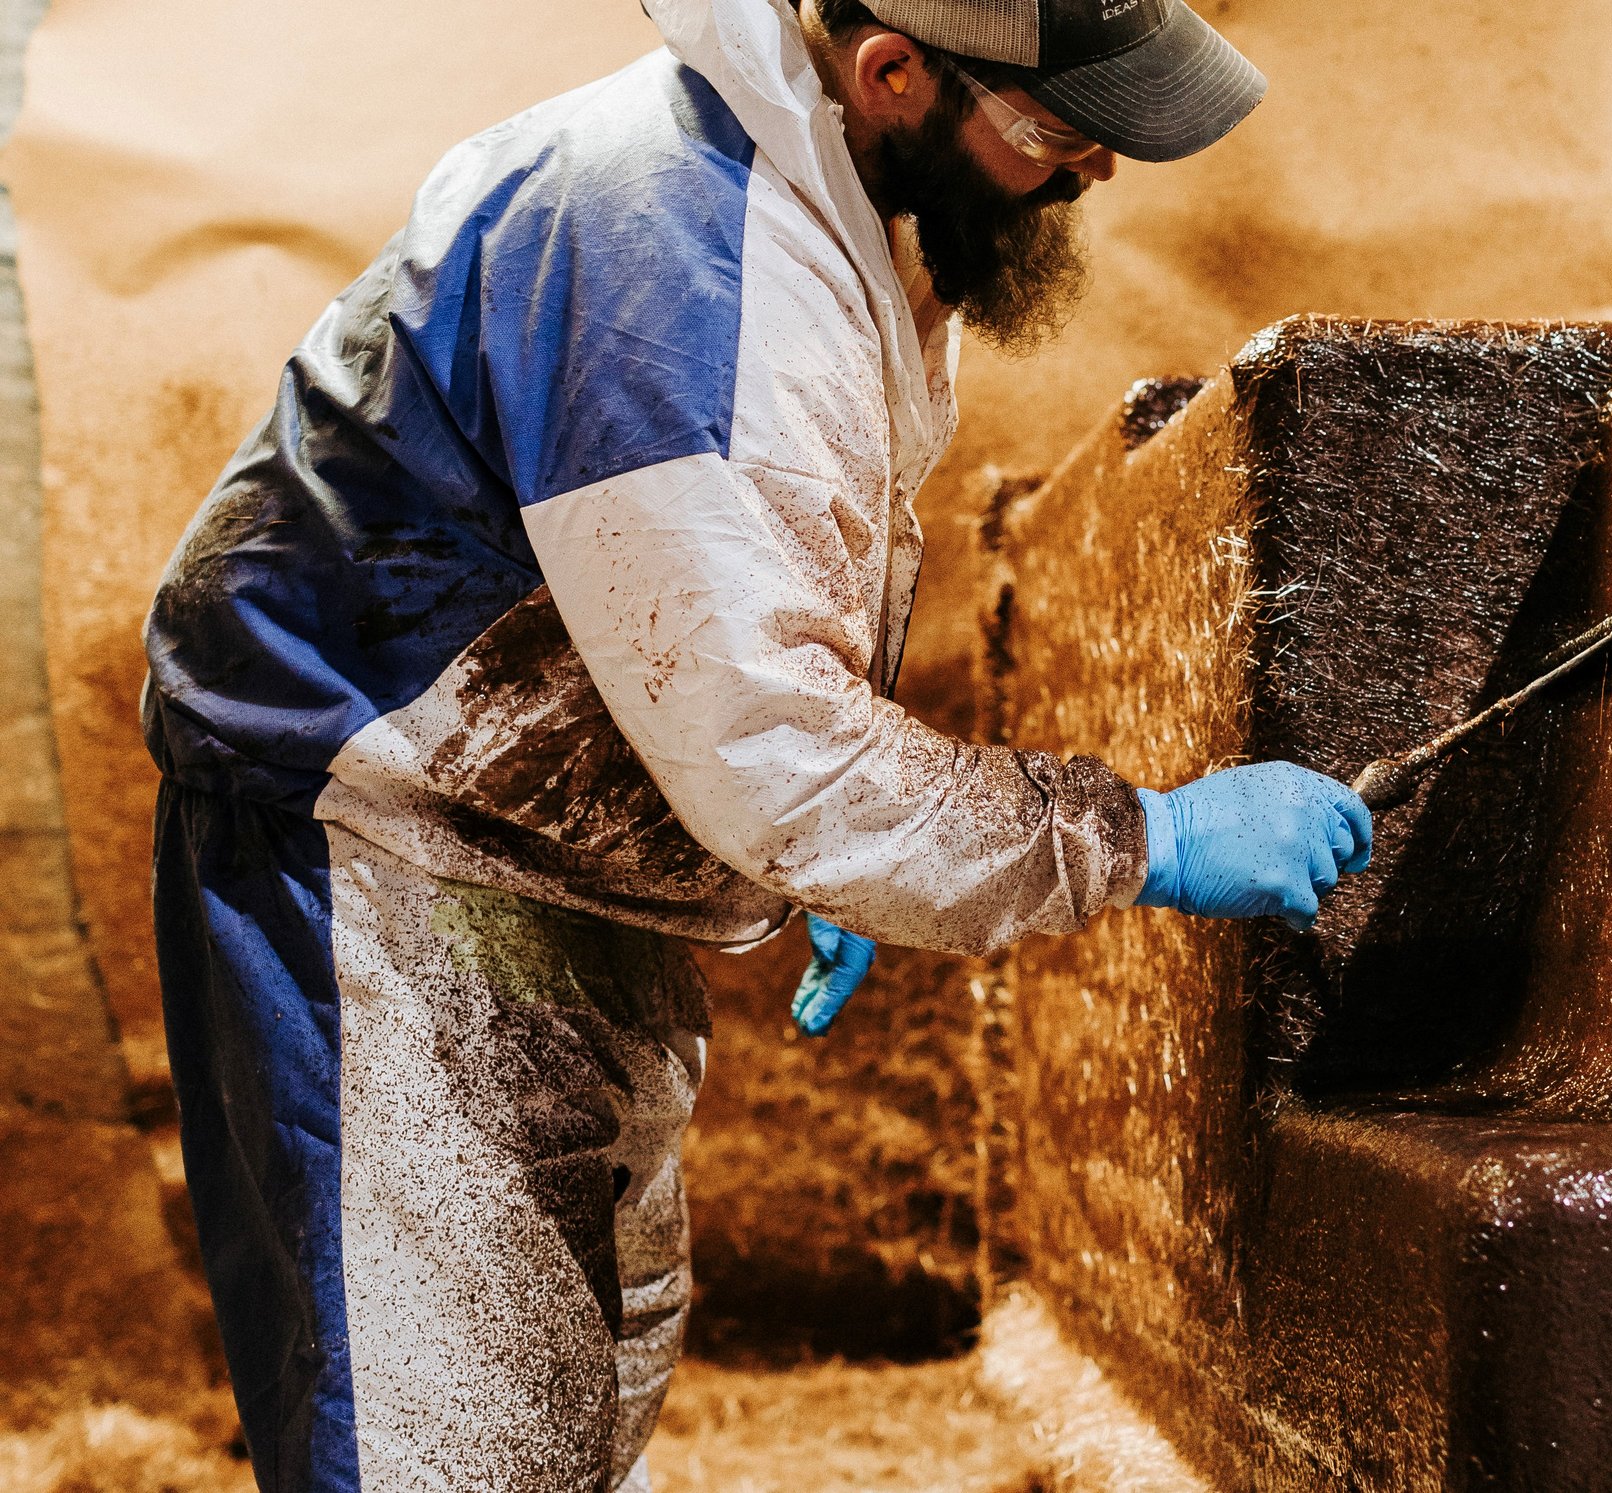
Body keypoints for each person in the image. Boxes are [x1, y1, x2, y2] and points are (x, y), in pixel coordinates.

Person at [139, 0, 1371, 1486]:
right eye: (1058, 129)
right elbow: (777, 747)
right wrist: (1142, 836)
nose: (1097, 169)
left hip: (536, 856)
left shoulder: (823, 196)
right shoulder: (680, 261)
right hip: (383, 875)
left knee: (564, 1405)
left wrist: (798, 849)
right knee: (442, 1443)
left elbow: (724, 628)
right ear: (893, 71)